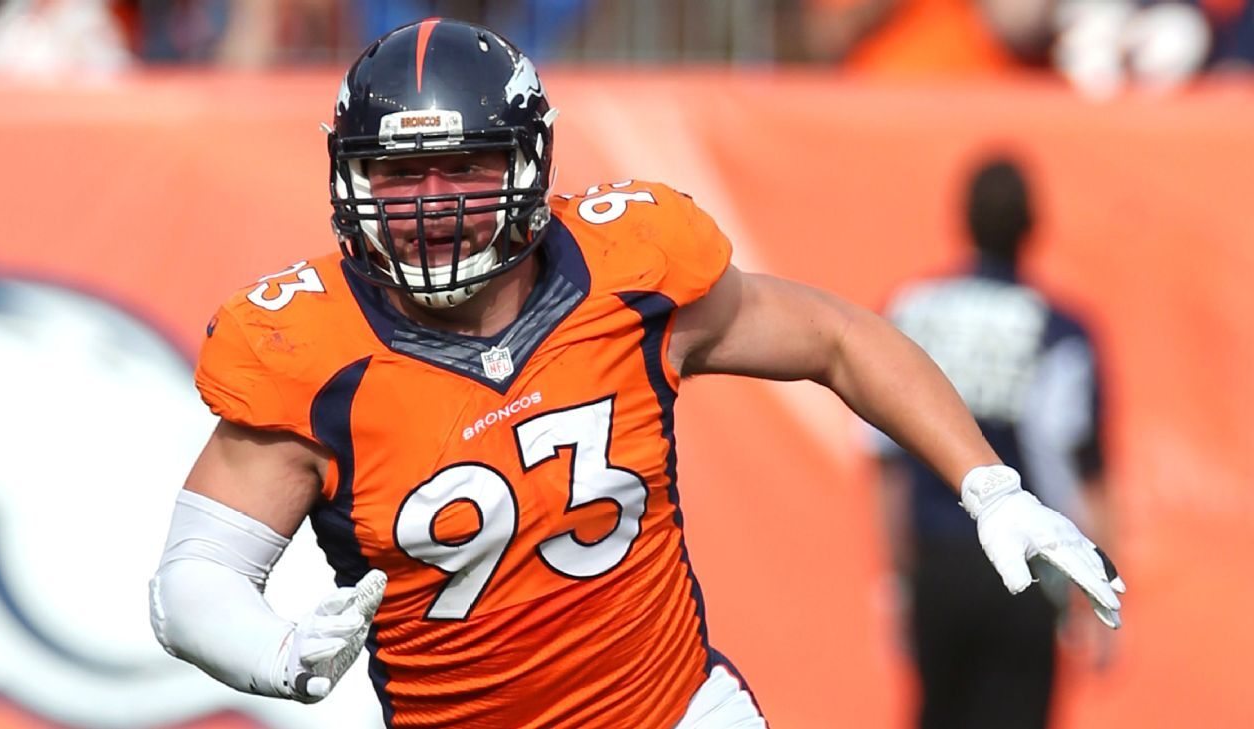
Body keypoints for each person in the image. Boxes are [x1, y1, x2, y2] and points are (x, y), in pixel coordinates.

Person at [147, 18, 1125, 728]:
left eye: (465, 169)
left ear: (527, 166)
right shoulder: (313, 352)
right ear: (352, 179)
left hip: (675, 710)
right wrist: (273, 653)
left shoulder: (625, 276)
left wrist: (990, 486)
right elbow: (195, 578)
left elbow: (837, 338)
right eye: (402, 174)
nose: (432, 204)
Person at [872, 156, 1116, 729]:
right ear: (1032, 226)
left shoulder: (912, 310)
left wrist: (897, 580)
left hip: (938, 564)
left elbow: (887, 464)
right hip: (1027, 570)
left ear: (964, 219)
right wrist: (1093, 579)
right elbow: (1075, 464)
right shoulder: (1059, 328)